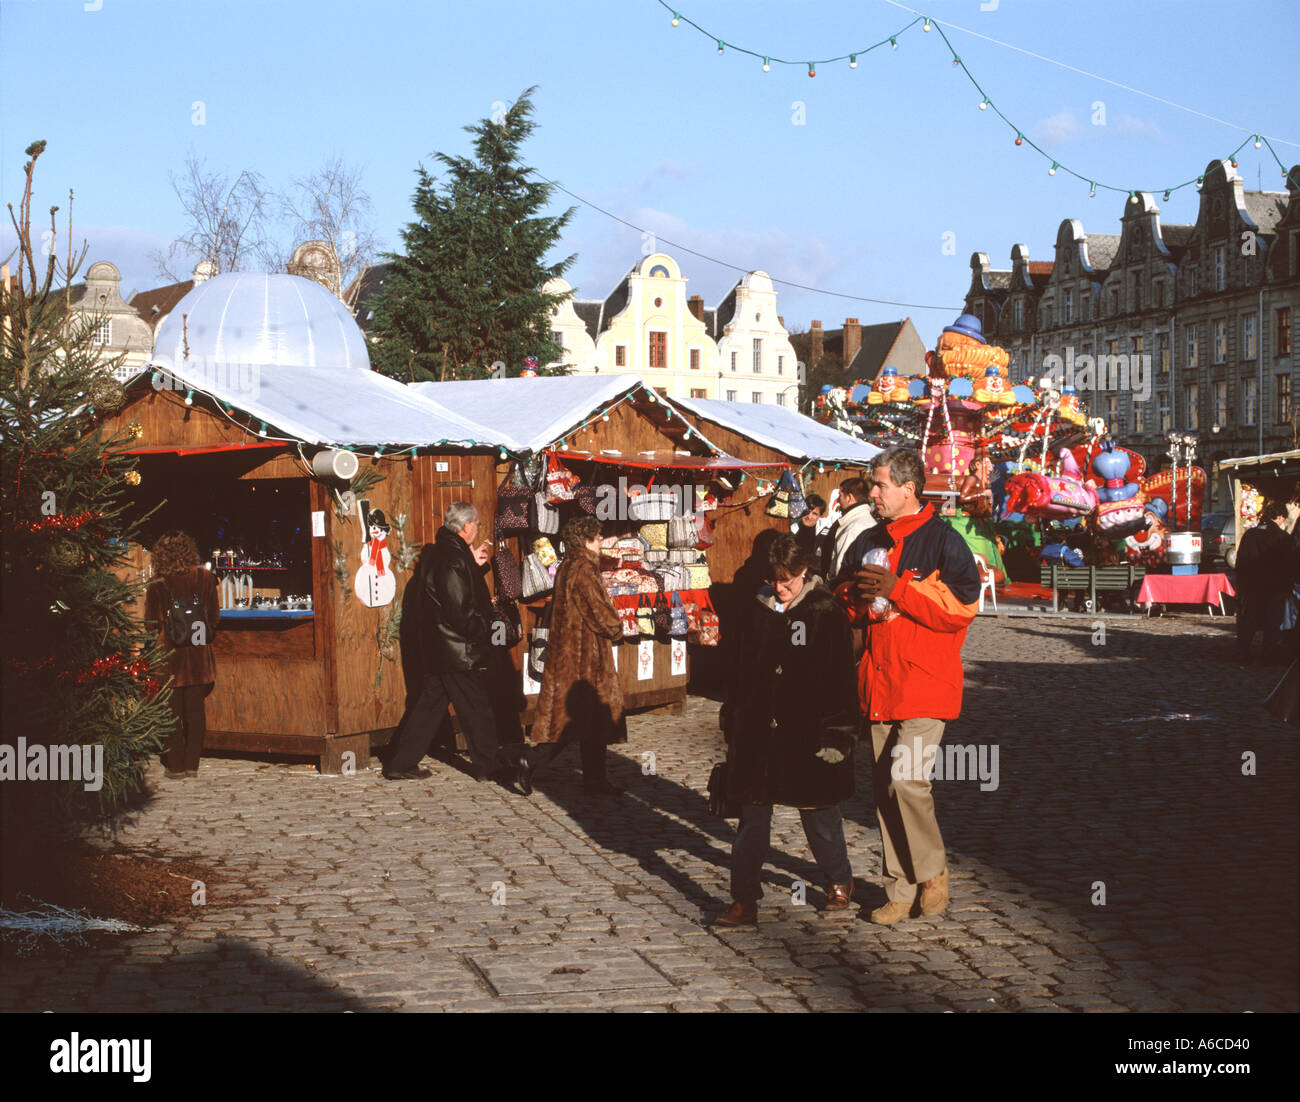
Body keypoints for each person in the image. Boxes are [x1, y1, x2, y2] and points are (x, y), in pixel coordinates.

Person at [839, 447, 980, 925]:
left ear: (908, 488)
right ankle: (899, 890)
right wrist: (852, 598)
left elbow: (960, 609)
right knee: (884, 789)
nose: (872, 493)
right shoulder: (868, 539)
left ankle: (932, 868)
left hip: (926, 685)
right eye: (872, 485)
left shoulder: (945, 541)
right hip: (879, 684)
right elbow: (853, 611)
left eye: (879, 485)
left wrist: (897, 588)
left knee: (907, 780)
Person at [715, 534, 860, 926]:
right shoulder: (756, 608)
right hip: (758, 731)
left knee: (819, 813)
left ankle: (838, 879)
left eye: (788, 581)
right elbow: (739, 669)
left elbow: (842, 681)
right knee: (752, 820)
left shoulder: (825, 612)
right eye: (775, 580)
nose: (780, 589)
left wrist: (838, 733)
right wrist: (733, 716)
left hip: (807, 731)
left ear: (805, 572)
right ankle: (744, 898)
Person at [385, 502, 524, 783]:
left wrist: (473, 565)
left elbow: (453, 594)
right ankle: (489, 766)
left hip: (444, 648)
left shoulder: (448, 554)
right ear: (466, 526)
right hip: (457, 649)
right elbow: (459, 610)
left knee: (429, 708)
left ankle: (399, 763)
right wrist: (485, 628)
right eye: (477, 524)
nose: (478, 528)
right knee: (476, 709)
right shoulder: (451, 558)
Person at [518, 515, 626, 796]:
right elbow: (597, 610)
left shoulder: (570, 565)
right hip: (583, 657)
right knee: (568, 723)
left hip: (572, 652)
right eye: (597, 538)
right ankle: (529, 761)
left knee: (592, 723)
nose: (601, 542)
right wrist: (616, 628)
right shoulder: (583, 569)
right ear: (587, 541)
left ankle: (595, 780)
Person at [144, 530, 220, 779]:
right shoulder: (206, 578)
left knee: (171, 713)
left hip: (170, 658)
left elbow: (152, 624)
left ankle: (174, 765)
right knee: (196, 712)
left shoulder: (158, 583)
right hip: (199, 656)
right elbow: (214, 618)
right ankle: (192, 765)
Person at [1235, 501, 1294, 664]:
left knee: (1250, 619)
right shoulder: (1283, 538)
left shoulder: (1250, 535)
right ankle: (1268, 655)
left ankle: (1242, 652)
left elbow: (1240, 561)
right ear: (1280, 517)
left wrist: (1242, 584)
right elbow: (1290, 564)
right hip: (1275, 587)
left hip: (1252, 586)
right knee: (1272, 621)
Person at [821, 476, 877, 586]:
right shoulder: (871, 522)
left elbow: (840, 571)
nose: (837, 500)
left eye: (840, 496)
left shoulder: (852, 529)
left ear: (849, 498)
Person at [791, 492, 827, 561]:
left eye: (814, 514)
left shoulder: (826, 534)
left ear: (820, 516)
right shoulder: (793, 531)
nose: (809, 516)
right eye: (807, 511)